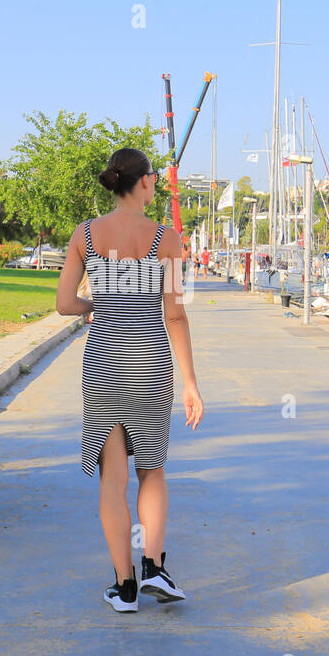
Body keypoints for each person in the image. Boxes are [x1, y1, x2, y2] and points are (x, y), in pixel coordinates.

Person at [56, 148, 204, 613]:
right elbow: (175, 316)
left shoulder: (85, 235)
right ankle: (154, 568)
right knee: (152, 471)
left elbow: (64, 304)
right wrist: (191, 384)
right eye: (154, 178)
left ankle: (123, 587)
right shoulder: (167, 239)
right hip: (150, 371)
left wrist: (95, 307)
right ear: (145, 182)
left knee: (111, 480)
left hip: (103, 370)